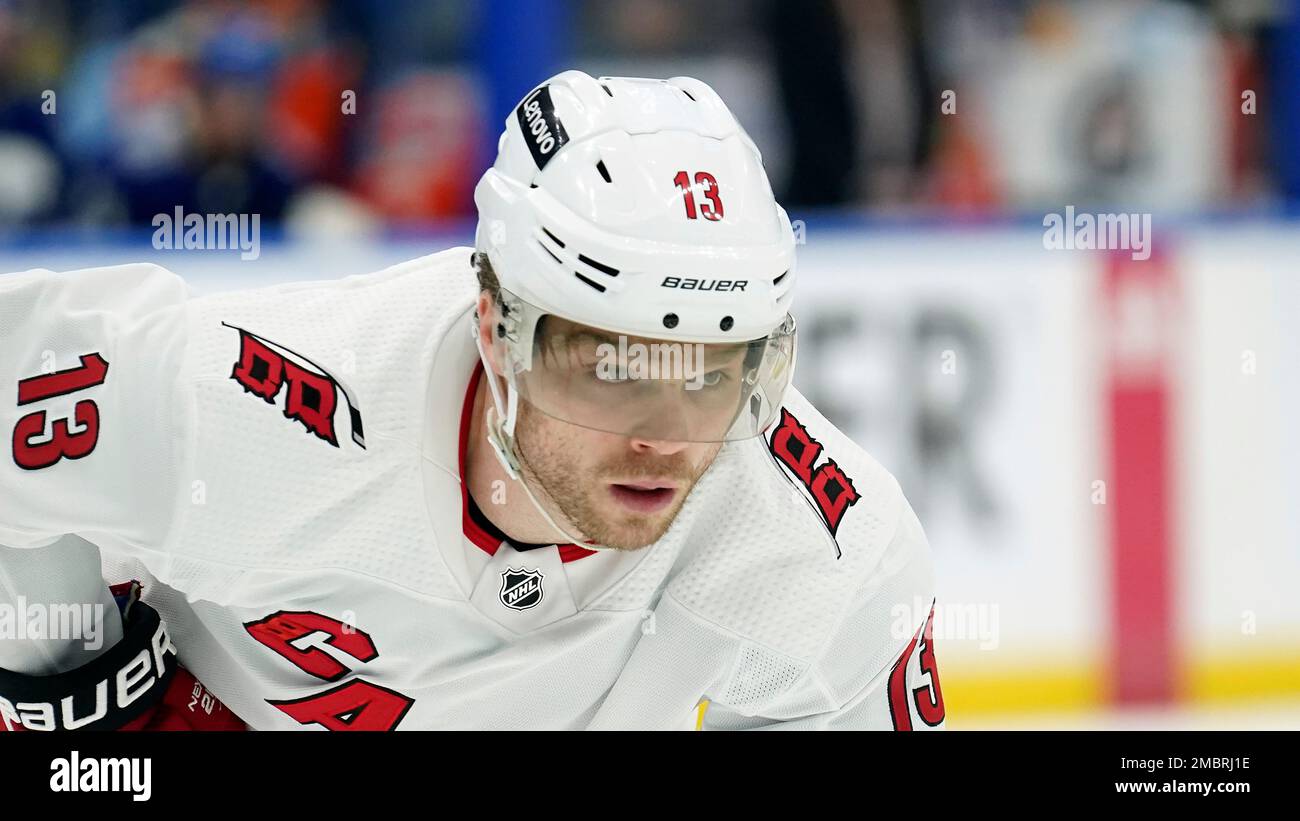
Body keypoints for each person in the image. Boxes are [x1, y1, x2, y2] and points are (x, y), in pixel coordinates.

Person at [0, 71, 943, 730]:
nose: (666, 441)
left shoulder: (829, 557)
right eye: (614, 368)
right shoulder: (261, 404)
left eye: (708, 377)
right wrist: (74, 685)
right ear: (498, 328)